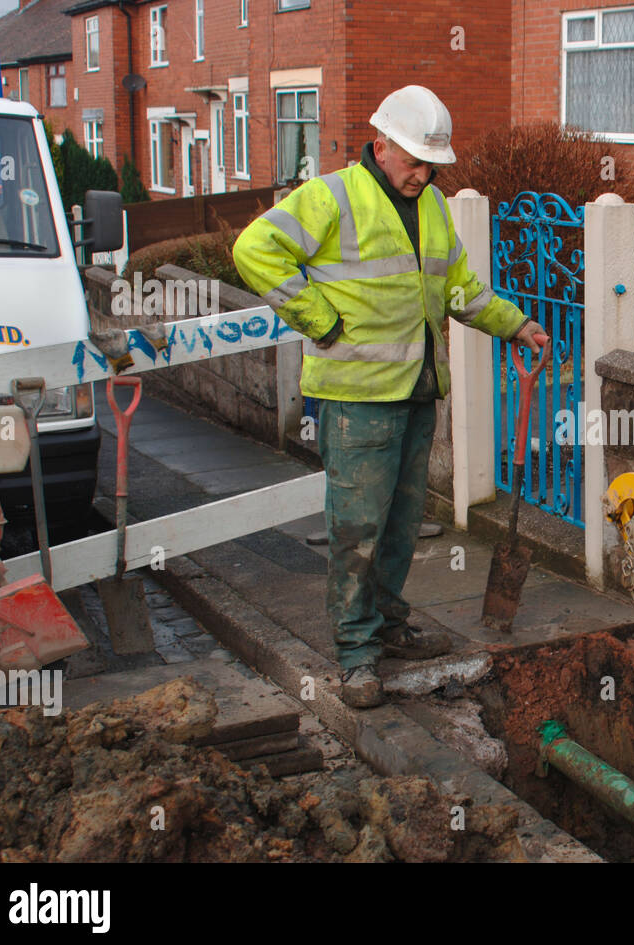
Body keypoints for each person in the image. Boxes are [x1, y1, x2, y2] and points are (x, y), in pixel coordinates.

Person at [233, 86, 548, 708]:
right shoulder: (331, 196)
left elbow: (458, 287)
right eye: (413, 161)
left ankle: (390, 624)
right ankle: (356, 656)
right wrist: (319, 320)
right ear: (380, 145)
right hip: (356, 398)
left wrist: (515, 323)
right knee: (357, 529)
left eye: (432, 164)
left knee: (403, 524)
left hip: (416, 391)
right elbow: (253, 251)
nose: (424, 174)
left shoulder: (430, 205)